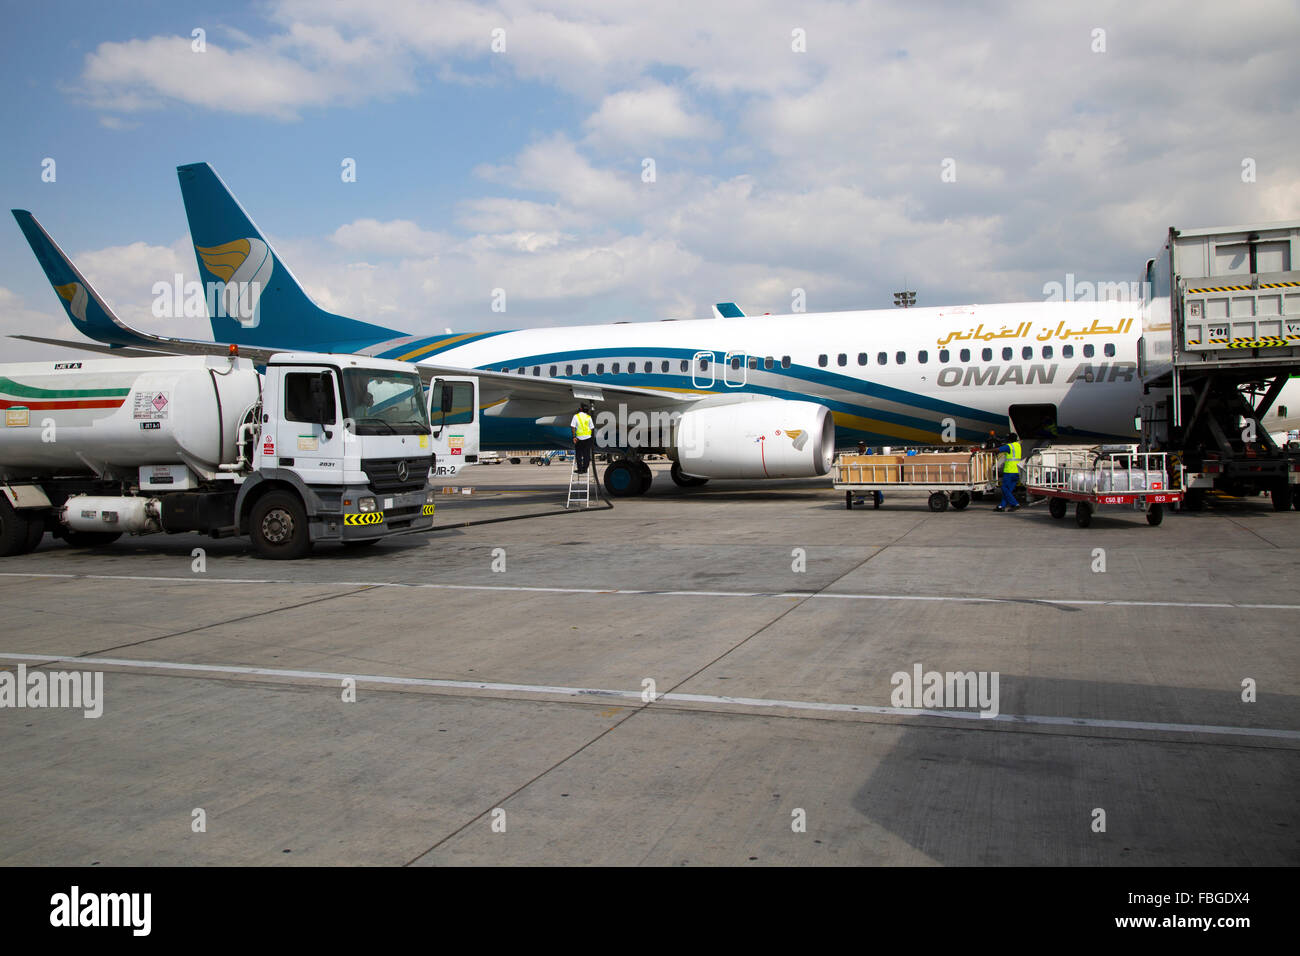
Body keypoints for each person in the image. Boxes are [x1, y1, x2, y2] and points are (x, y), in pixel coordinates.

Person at [988, 432, 1022, 511]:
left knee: (1004, 488)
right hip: (1017, 471)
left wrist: (984, 450)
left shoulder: (1010, 446)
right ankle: (1001, 506)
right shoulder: (1018, 446)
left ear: (1009, 439)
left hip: (1009, 471)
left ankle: (1015, 504)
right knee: (1008, 491)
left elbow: (997, 450)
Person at [571, 402, 595, 474]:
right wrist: (589, 435)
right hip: (587, 438)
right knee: (586, 454)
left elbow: (573, 427)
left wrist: (574, 437)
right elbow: (592, 428)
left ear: (580, 409)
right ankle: (585, 469)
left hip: (579, 438)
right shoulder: (588, 417)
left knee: (579, 455)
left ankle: (580, 469)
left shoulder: (576, 416)